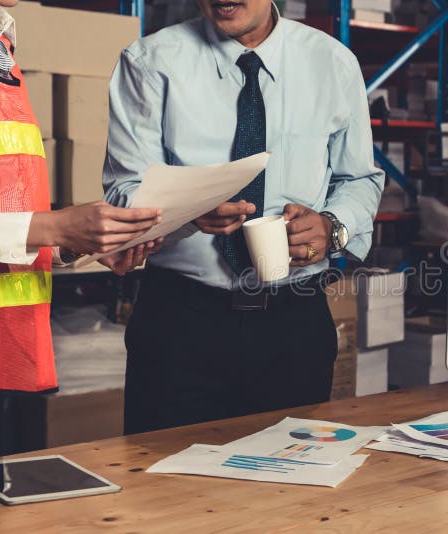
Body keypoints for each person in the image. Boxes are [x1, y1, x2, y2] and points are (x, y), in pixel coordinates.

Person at [102, 0, 384, 434]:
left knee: (287, 471)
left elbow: (359, 178)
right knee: (160, 474)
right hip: (179, 322)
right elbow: (124, 192)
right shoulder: (149, 62)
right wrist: (188, 210)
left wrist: (332, 226)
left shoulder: (332, 63)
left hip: (294, 324)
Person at [0, 0, 161, 456]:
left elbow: (6, 201)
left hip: (6, 349)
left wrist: (75, 243)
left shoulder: (0, 45)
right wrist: (57, 227)